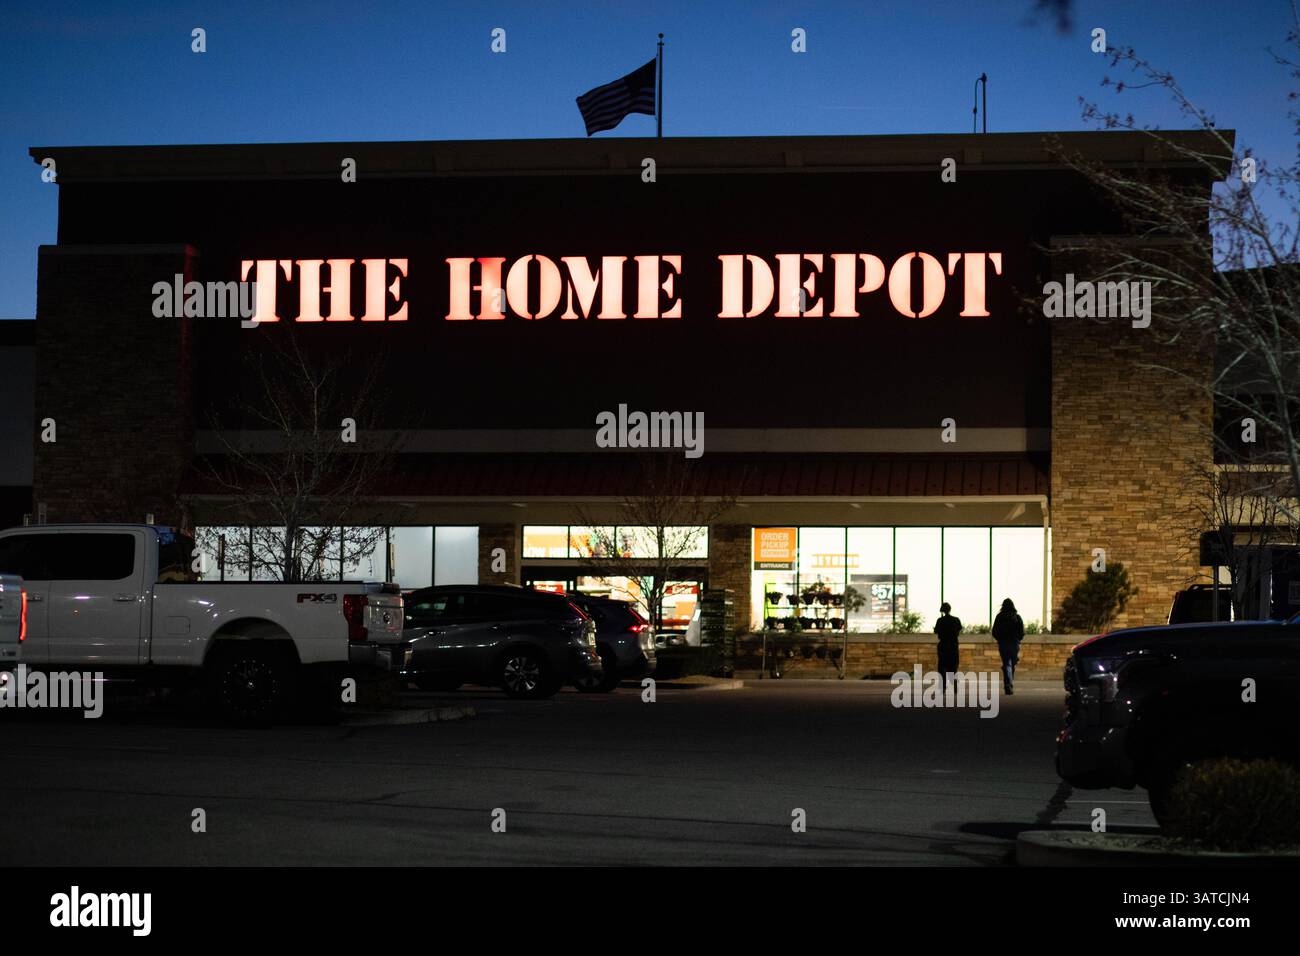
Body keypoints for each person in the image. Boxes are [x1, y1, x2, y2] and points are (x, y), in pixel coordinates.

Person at [991, 597, 1025, 694]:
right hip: (1014, 643)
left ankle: (1008, 683)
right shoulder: (1017, 617)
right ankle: (1009, 683)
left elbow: (994, 631)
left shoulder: (999, 617)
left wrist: (1000, 639)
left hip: (1003, 643)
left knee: (1006, 663)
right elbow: (1022, 632)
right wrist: (1018, 639)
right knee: (1012, 664)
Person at [933, 602, 962, 687]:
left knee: (942, 664)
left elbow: (936, 631)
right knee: (953, 664)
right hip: (953, 644)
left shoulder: (940, 620)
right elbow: (959, 629)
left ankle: (943, 685)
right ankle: (954, 682)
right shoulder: (956, 620)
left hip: (943, 644)